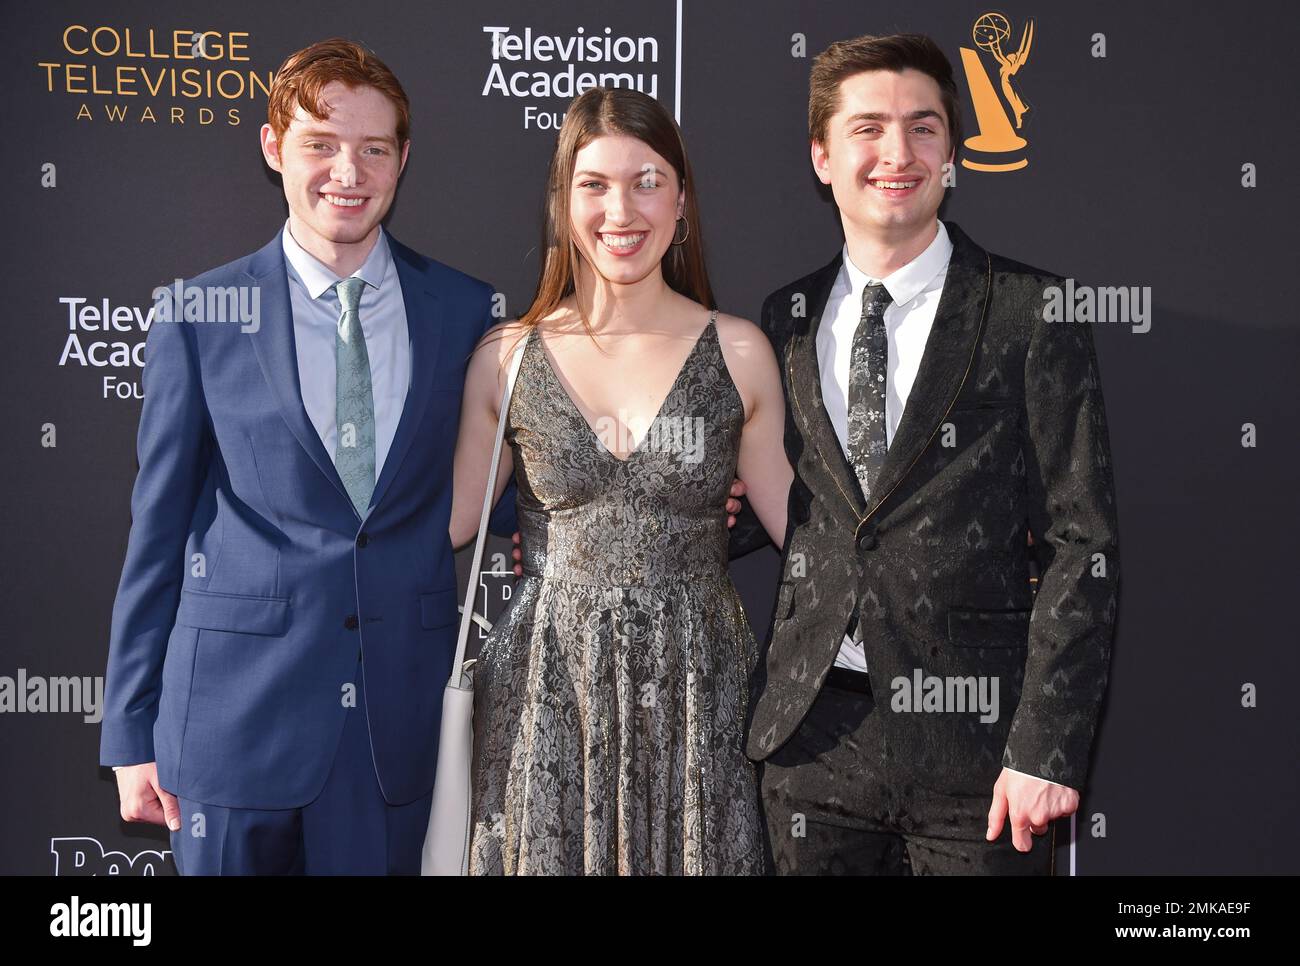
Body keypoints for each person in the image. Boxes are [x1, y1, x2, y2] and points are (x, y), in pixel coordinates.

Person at [99, 39, 521, 874]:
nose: (347, 172)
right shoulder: (199, 314)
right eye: (320, 145)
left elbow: (504, 496)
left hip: (395, 732)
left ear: (402, 158)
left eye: (372, 148)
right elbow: (158, 533)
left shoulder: (470, 312)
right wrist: (129, 731)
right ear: (273, 149)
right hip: (230, 727)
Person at [727, 33, 1120, 875]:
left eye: (923, 128)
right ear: (821, 156)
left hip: (978, 750)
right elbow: (796, 502)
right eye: (867, 128)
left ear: (951, 151)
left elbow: (1081, 543)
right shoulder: (785, 316)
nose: (897, 154)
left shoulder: (1032, 309)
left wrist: (1045, 749)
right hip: (811, 741)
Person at [450, 86, 793, 874]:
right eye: (595, 184)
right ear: (563, 202)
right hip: (545, 689)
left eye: (647, 181)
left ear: (682, 202)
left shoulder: (739, 352)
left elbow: (807, 536)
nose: (621, 210)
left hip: (698, 687)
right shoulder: (506, 354)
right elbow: (447, 521)